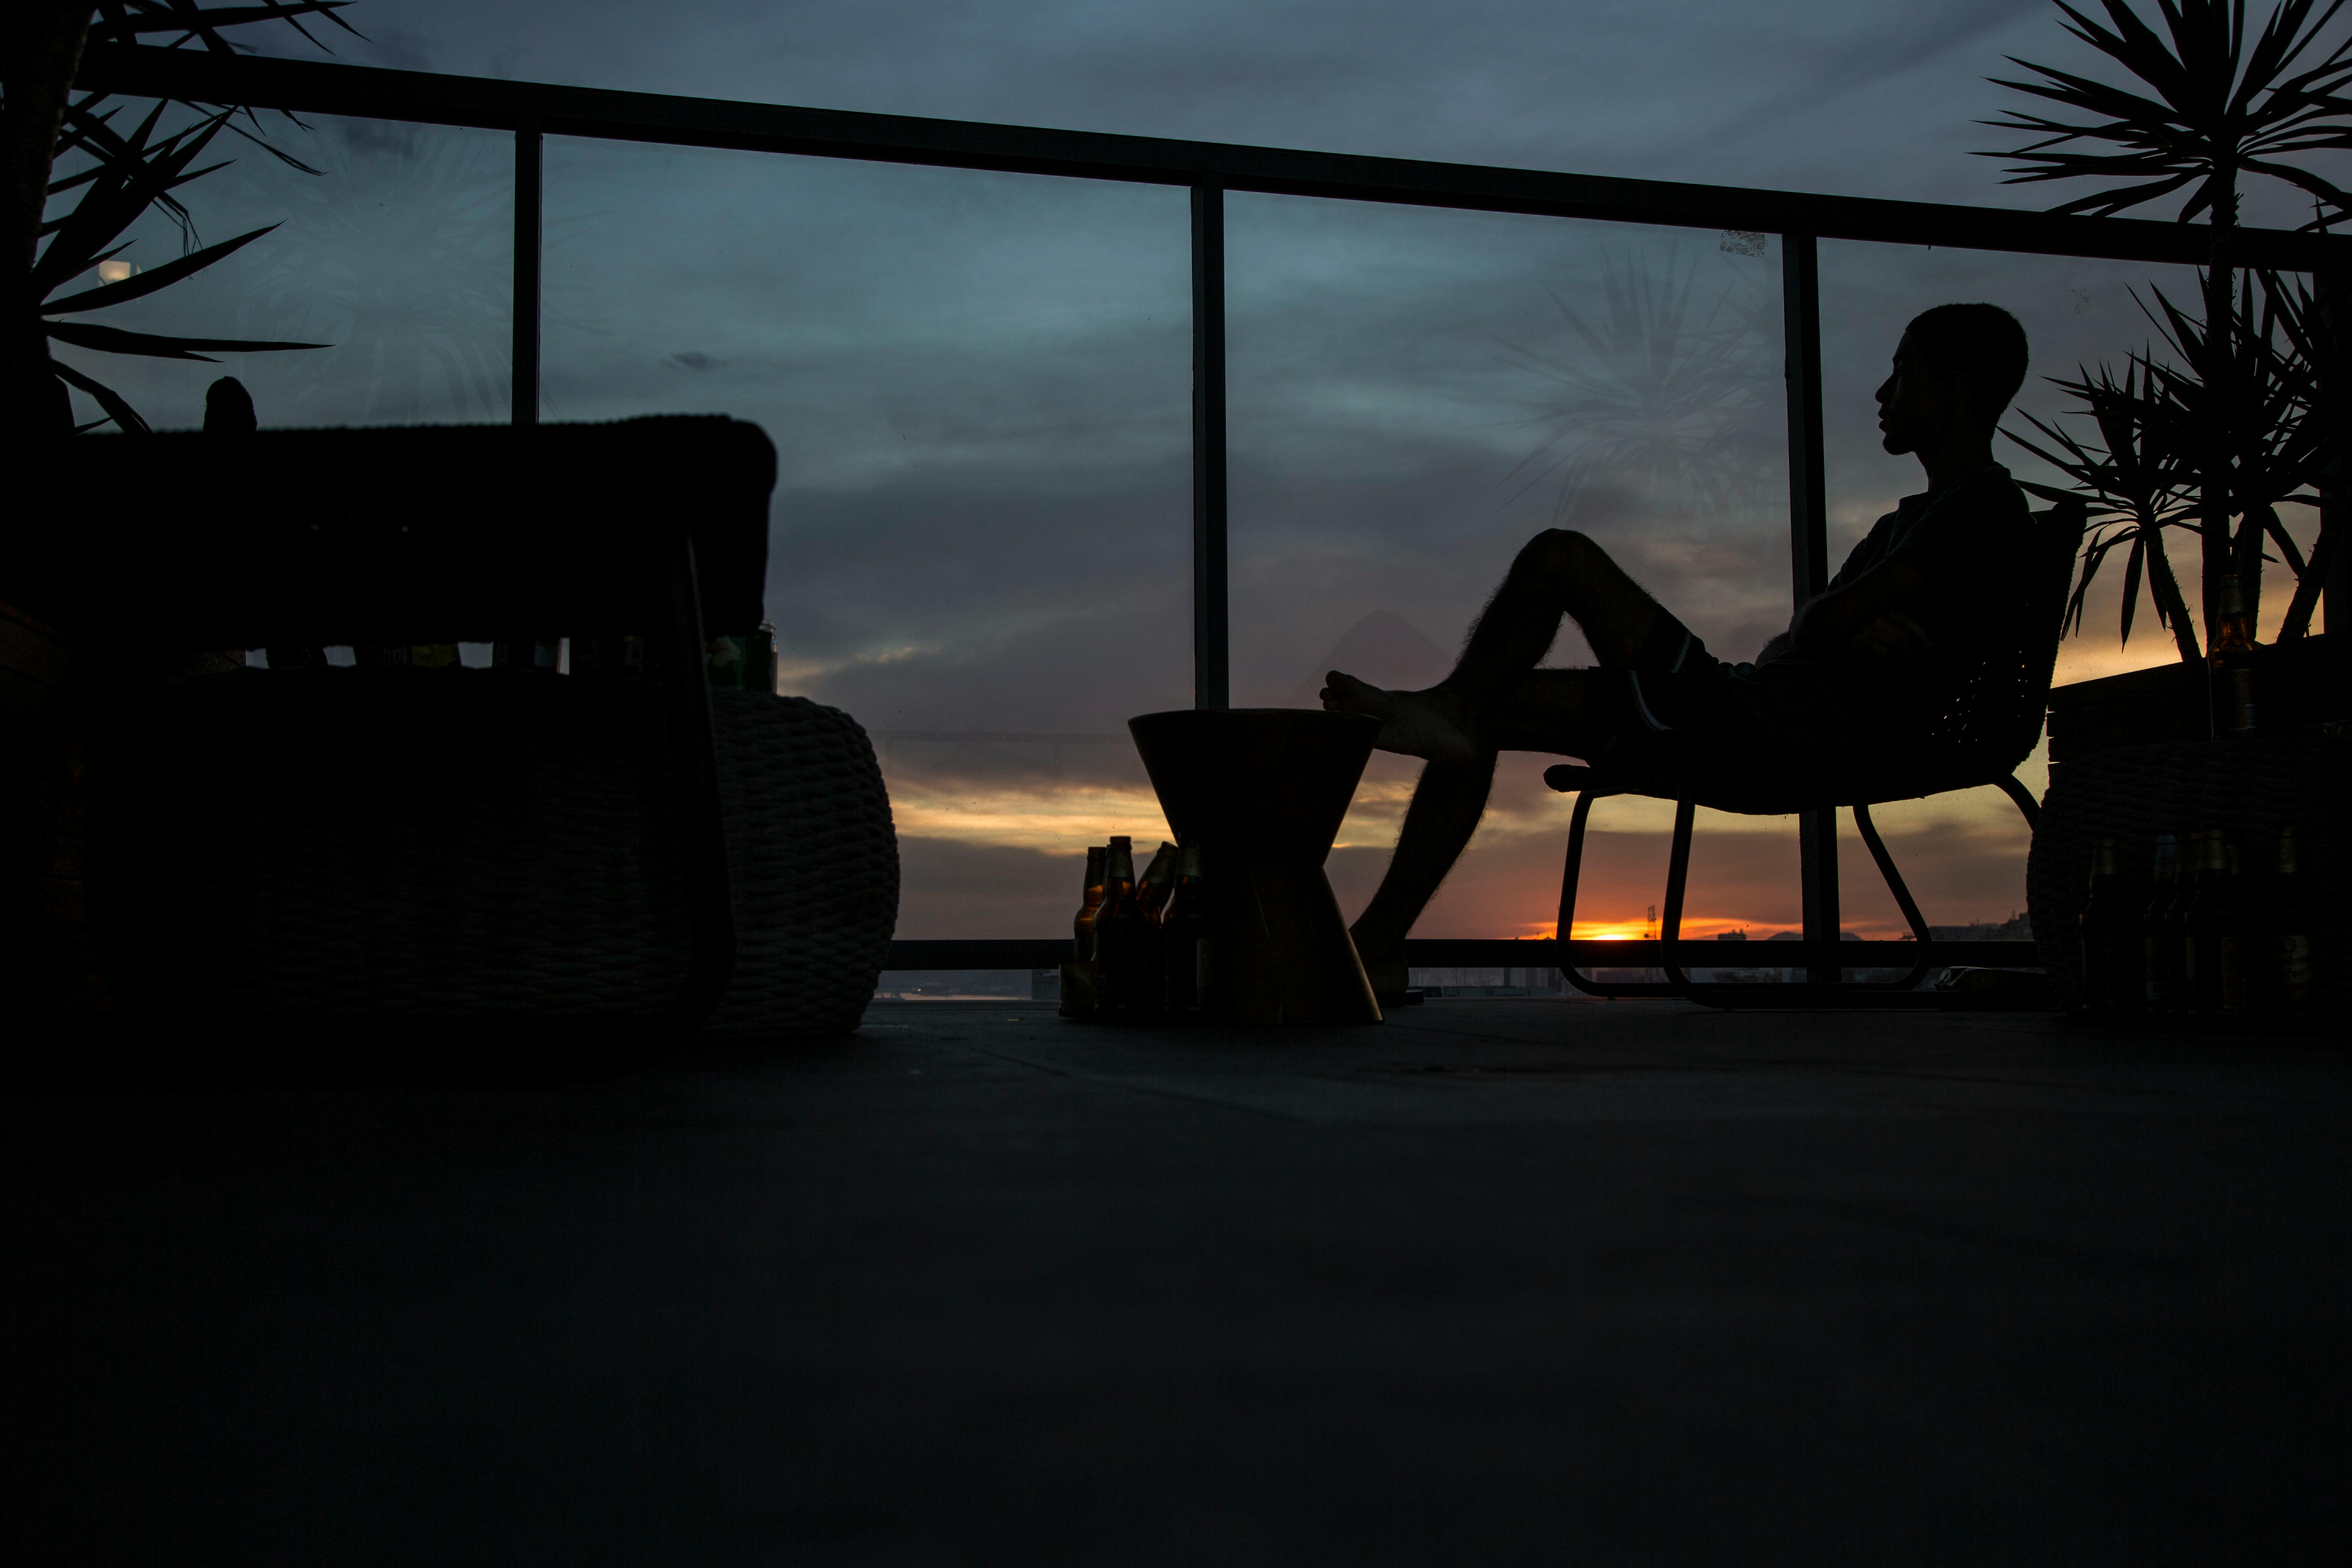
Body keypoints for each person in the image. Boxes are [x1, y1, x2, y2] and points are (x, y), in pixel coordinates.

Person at [1321, 302, 2034, 994]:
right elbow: (1800, 634)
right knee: (1551, 572)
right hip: (1742, 702)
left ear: (1954, 389)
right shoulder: (1904, 524)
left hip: (1759, 734)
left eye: (1903, 371)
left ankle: (1377, 929)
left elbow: (1818, 626)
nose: (1883, 392)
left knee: (1528, 631)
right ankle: (1427, 777)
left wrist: (1831, 623)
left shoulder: (1980, 509)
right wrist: (1833, 623)